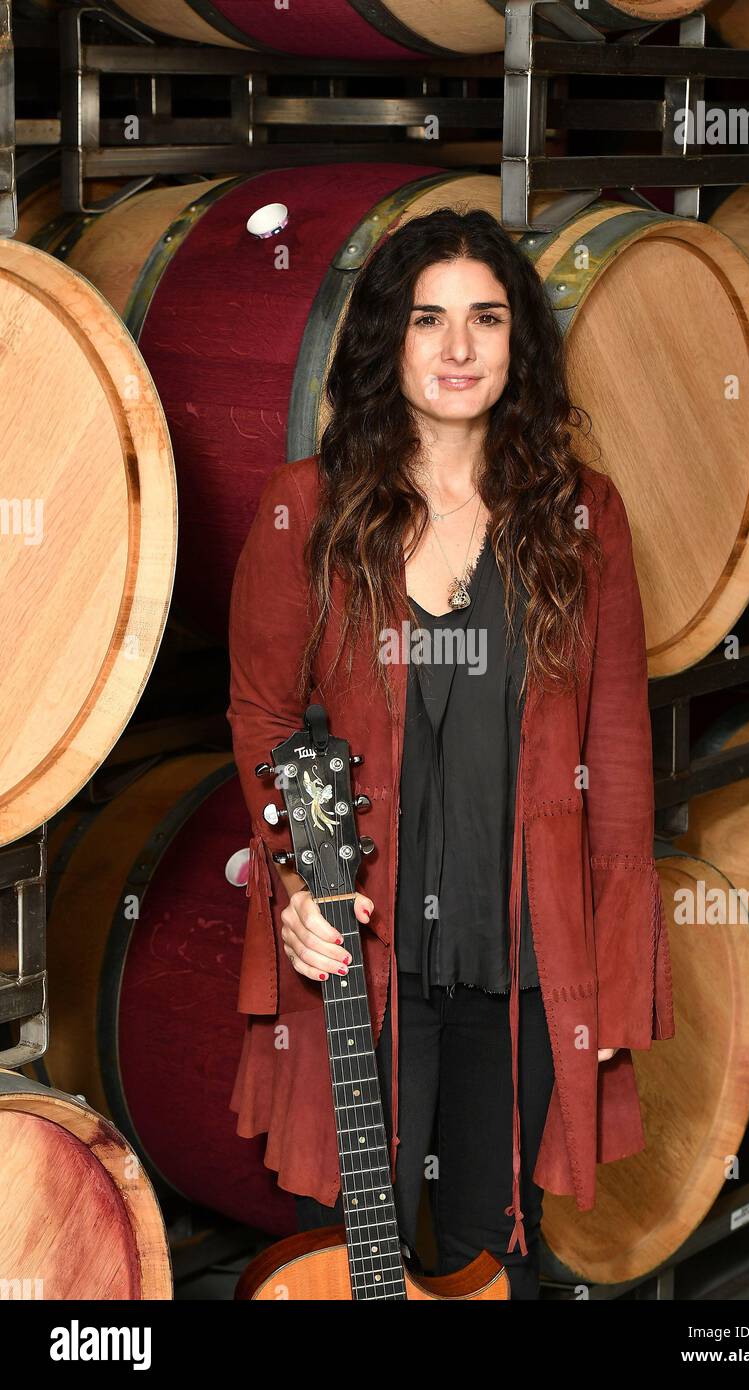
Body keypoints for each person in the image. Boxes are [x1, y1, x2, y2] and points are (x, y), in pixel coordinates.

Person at [226, 206, 675, 1301]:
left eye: (484, 319)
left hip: (517, 958)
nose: (458, 348)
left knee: (492, 1250)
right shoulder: (306, 511)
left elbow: (615, 757)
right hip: (356, 953)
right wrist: (293, 883)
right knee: (340, 1249)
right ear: (388, 340)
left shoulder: (580, 519)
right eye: (428, 320)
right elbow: (262, 719)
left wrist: (608, 986)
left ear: (519, 343)